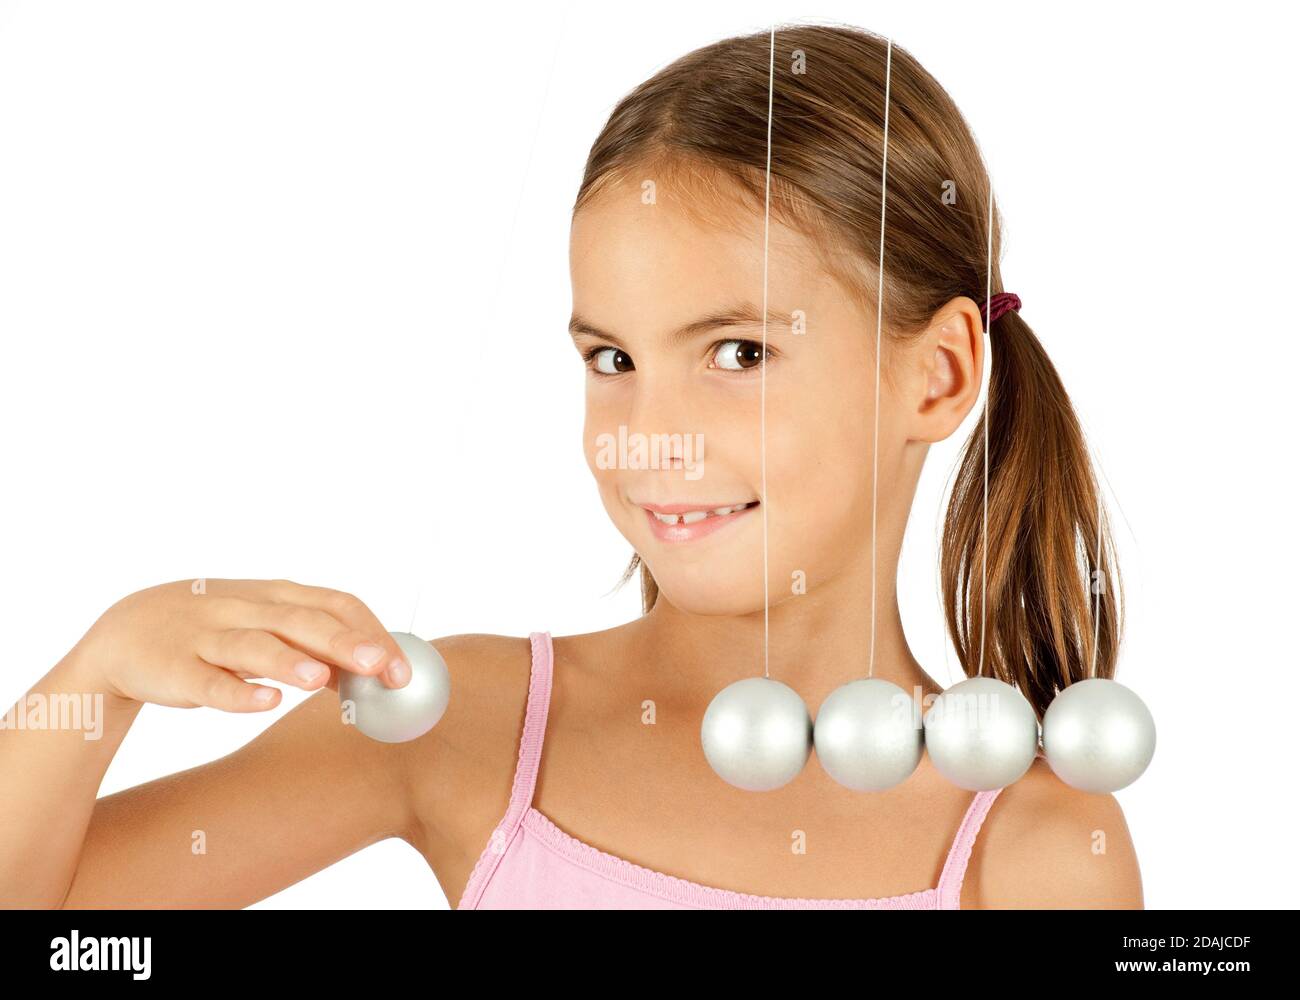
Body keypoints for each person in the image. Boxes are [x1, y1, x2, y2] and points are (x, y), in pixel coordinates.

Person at [0, 23, 1143, 909]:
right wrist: (92, 682)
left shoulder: (1033, 843)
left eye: (738, 351)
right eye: (612, 357)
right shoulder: (466, 725)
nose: (650, 432)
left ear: (937, 377)